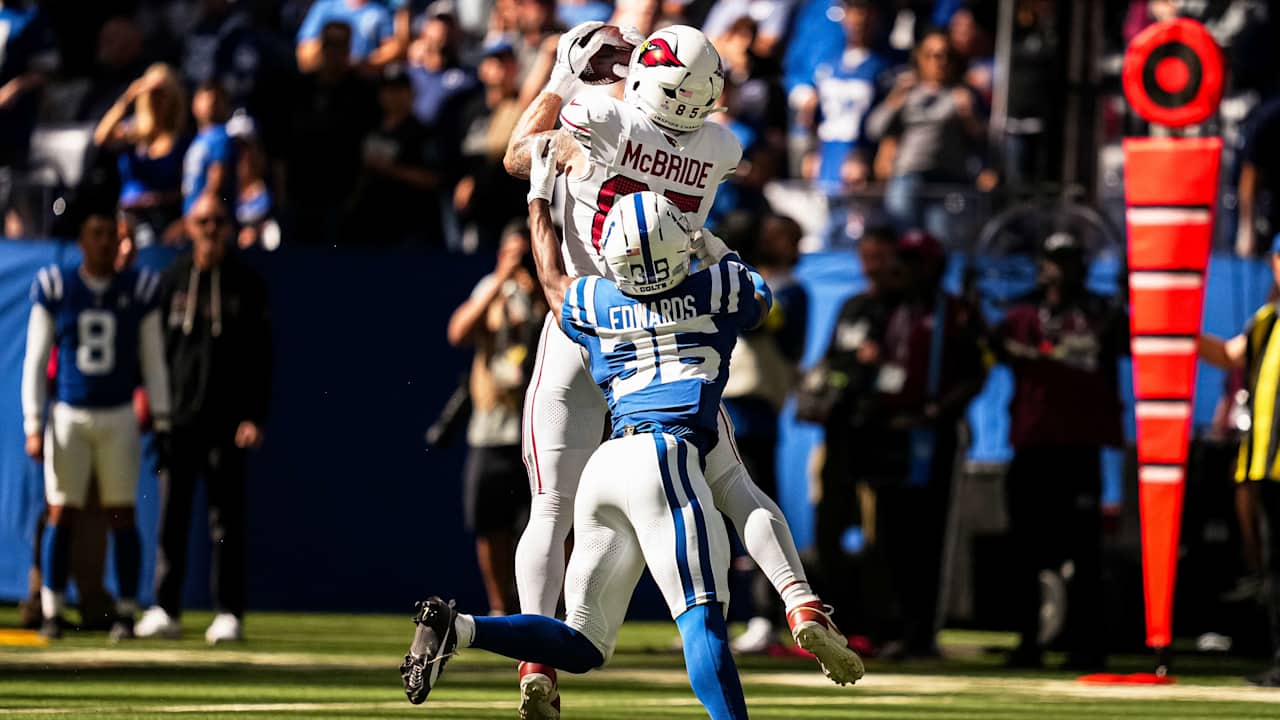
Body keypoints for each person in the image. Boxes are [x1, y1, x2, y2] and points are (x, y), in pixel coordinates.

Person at [501, 22, 859, 715]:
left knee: (551, 502)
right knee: (731, 479)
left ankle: (534, 654)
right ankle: (800, 600)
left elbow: (520, 157)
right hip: (672, 322)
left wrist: (561, 75)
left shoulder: (600, 112)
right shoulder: (723, 145)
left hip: (585, 308)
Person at [401, 169, 841, 717]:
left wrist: (541, 202)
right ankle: (796, 604)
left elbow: (552, 279)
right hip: (669, 456)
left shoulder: (592, 299)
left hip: (606, 468)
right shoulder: (717, 288)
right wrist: (715, 245)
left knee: (584, 644)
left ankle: (459, 628)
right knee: (703, 620)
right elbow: (759, 295)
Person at [20, 194, 171, 640]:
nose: (105, 243)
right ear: (83, 240)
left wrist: (161, 419)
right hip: (69, 412)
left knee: (121, 515)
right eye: (97, 234)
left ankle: (124, 610)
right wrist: (33, 421)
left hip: (118, 412)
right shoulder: (57, 285)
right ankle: (51, 608)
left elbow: (153, 361)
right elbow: (35, 359)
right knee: (59, 512)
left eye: (112, 235)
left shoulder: (137, 290)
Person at [134, 193, 271, 645]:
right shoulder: (170, 280)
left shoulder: (246, 284)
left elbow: (262, 358)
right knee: (172, 517)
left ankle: (229, 611)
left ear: (228, 227)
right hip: (177, 421)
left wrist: (254, 415)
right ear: (188, 226)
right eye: (202, 220)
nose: (210, 229)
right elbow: (152, 355)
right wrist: (152, 406)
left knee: (226, 520)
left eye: (217, 220)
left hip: (227, 422)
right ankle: (164, 608)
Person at [994, 233, 1125, 671]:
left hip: (1079, 446)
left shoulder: (1101, 313)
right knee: (1025, 550)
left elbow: (1124, 341)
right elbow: (995, 348)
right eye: (1053, 261)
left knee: (1085, 550)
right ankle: (1029, 640)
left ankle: (1088, 644)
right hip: (1032, 443)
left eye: (1069, 261)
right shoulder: (1021, 311)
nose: (1060, 270)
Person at [446, 223, 543, 614]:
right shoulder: (492, 289)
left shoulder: (549, 289)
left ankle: (540, 609)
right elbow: (459, 332)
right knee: (490, 525)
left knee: (542, 526)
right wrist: (502, 278)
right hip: (492, 427)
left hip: (536, 428)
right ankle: (500, 607)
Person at [724, 213, 810, 654]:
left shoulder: (790, 289)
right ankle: (716, 614)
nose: (786, 245)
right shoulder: (737, 276)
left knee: (755, 510)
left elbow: (761, 323)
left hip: (755, 408)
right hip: (716, 402)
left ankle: (765, 616)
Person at [1198, 234, 1280, 686]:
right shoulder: (1266, 322)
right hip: (1266, 463)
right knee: (1271, 567)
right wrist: (1182, 334)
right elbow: (1227, 356)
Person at [865, 30, 989, 243]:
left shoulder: (963, 94)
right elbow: (874, 130)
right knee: (904, 239)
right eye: (932, 55)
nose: (939, 62)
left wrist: (968, 116)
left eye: (946, 55)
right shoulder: (907, 92)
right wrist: (894, 101)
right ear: (920, 59)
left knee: (941, 241)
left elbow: (983, 140)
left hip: (947, 180)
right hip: (907, 176)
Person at [284, 21, 378, 245]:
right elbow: (284, 146)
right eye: (329, 45)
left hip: (344, 198)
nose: (334, 52)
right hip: (300, 195)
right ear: (320, 47)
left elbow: (368, 148)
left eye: (341, 46)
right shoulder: (300, 89)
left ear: (349, 50)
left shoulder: (362, 94)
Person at [93, 63, 189, 247]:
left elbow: (187, 186)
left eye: (162, 92)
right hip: (127, 215)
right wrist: (128, 98)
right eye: (151, 92)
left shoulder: (180, 141)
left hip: (161, 217)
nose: (156, 99)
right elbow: (101, 138)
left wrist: (160, 198)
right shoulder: (133, 132)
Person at [350, 63, 441, 246]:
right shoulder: (369, 128)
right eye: (389, 90)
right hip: (368, 221)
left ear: (411, 93)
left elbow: (434, 178)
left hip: (409, 224)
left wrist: (392, 169)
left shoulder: (422, 133)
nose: (393, 96)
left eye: (399, 90)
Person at [454, 41, 527, 252]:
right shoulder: (470, 110)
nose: (501, 68)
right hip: (477, 208)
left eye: (506, 62)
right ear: (482, 69)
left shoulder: (523, 105)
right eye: (495, 62)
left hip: (513, 205)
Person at [296, 0, 399, 73]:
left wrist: (366, 64)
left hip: (361, 79)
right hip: (325, 73)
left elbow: (392, 47)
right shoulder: (325, 7)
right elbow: (305, 48)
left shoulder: (379, 11)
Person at [182, 81, 236, 213]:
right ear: (194, 104)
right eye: (205, 98)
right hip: (192, 212)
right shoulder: (196, 139)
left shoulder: (221, 136)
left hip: (207, 216)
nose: (211, 103)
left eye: (217, 100)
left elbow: (217, 178)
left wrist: (198, 214)